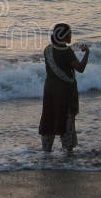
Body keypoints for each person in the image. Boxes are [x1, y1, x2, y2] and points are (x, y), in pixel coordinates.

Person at [38, 23, 90, 152]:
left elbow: (57, 57)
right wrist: (87, 53)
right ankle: (68, 152)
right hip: (64, 91)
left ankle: (46, 150)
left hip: (49, 89)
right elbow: (80, 69)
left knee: (49, 116)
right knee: (66, 119)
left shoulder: (47, 49)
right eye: (69, 33)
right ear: (64, 36)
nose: (71, 35)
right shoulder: (67, 52)